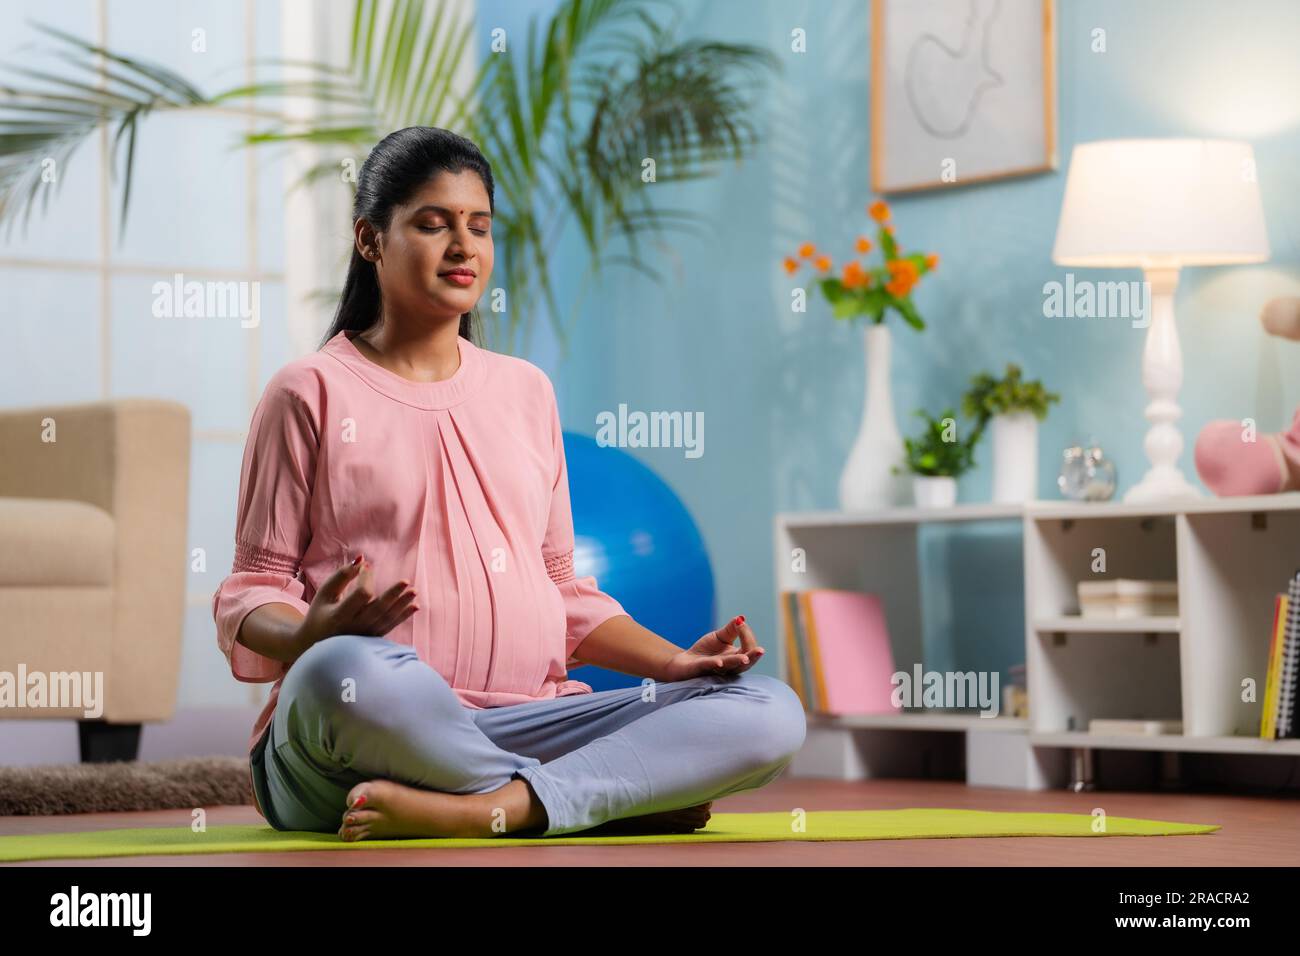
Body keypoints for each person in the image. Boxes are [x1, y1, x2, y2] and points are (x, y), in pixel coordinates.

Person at [211, 126, 806, 841]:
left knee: (769, 711)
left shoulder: (525, 392)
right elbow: (251, 590)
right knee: (339, 671)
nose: (464, 247)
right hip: (358, 730)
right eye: (433, 225)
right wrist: (309, 631)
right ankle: (598, 795)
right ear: (370, 240)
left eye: (479, 226)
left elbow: (563, 594)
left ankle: (488, 807)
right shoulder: (308, 391)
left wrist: (676, 662)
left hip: (529, 719)